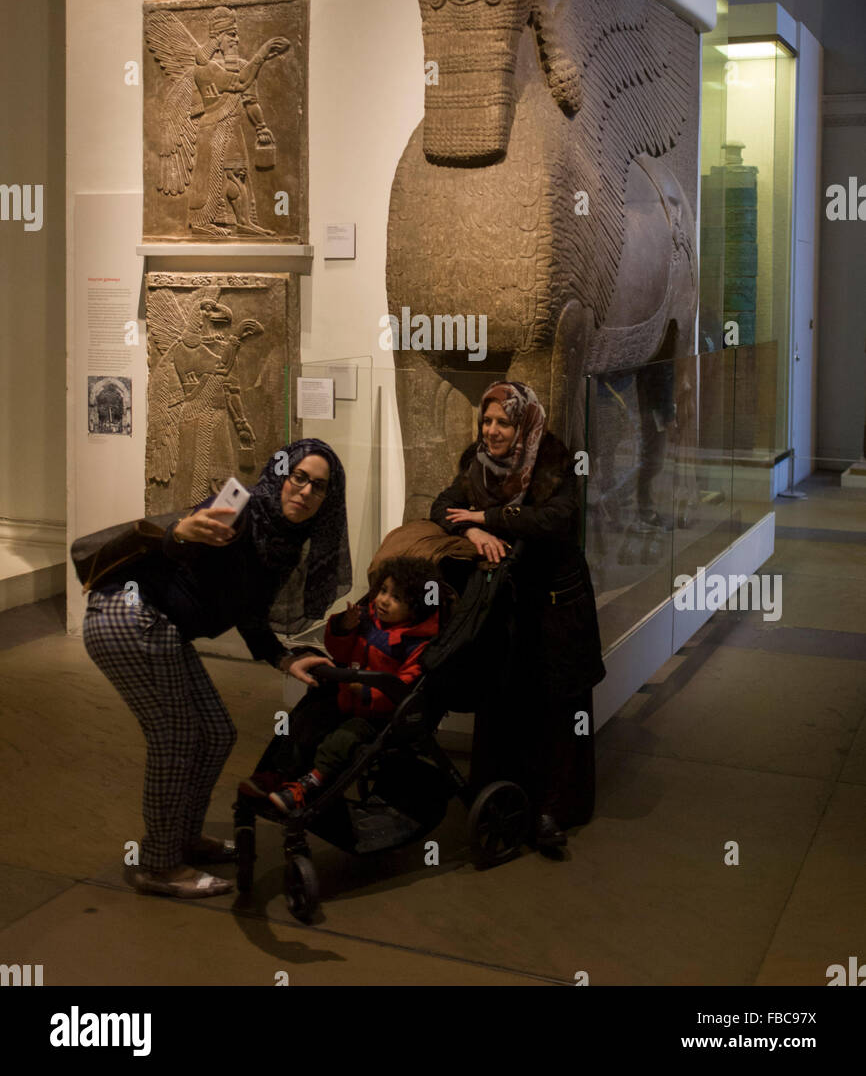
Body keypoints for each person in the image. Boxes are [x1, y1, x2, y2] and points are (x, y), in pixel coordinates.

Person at [82, 439, 351, 898]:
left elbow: (249, 611)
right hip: (129, 614)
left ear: (328, 499)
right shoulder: (243, 507)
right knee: (177, 736)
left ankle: (182, 838)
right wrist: (181, 532)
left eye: (319, 486)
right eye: (298, 477)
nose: (304, 491)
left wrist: (284, 657)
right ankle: (160, 865)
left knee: (217, 732)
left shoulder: (283, 542)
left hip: (161, 627)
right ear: (281, 474)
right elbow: (183, 538)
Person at [430, 381, 605, 850]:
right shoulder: (478, 464)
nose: (492, 430)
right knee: (506, 705)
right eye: (487, 421)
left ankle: (553, 810)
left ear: (522, 423)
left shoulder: (554, 462)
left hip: (555, 610)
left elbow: (554, 520)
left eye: (502, 422)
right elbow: (441, 507)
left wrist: (486, 520)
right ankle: (502, 801)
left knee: (557, 710)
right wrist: (469, 535)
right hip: (506, 610)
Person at [240, 557, 441, 813]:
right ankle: (279, 773)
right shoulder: (367, 619)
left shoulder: (416, 643)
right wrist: (344, 628)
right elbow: (341, 654)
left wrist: (367, 690)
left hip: (379, 716)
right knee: (307, 722)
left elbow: (405, 686)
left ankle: (306, 788)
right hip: (345, 697)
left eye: (397, 598)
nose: (383, 600)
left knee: (341, 742)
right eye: (383, 590)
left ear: (416, 610)